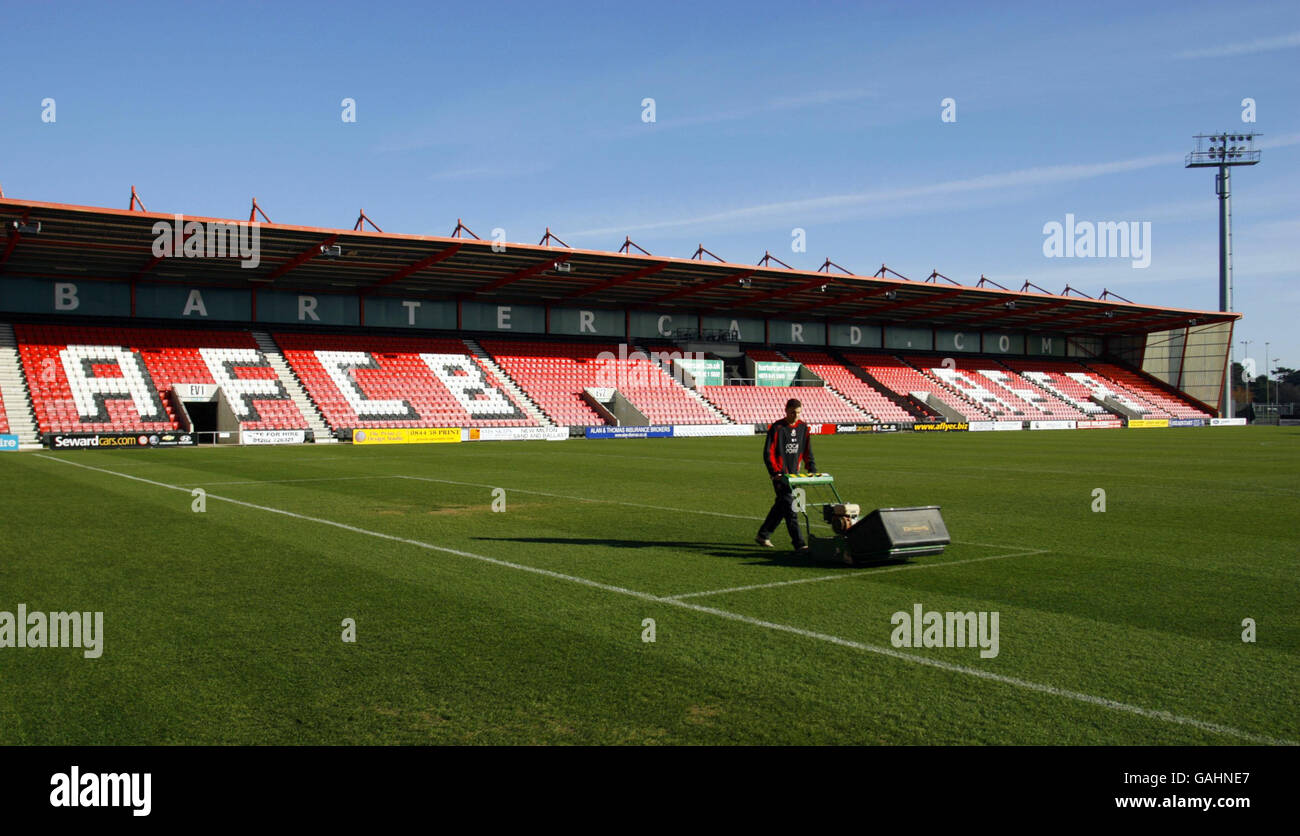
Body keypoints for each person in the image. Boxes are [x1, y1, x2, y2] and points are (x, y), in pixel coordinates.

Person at [755, 398, 816, 551]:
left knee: (782, 506)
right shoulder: (777, 428)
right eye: (793, 412)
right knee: (791, 508)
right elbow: (768, 452)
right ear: (786, 411)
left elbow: (807, 449)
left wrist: (812, 468)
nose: (796, 416)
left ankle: (763, 534)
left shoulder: (803, 428)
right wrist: (775, 472)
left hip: (795, 476)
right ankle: (799, 544)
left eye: (799, 413)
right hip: (780, 476)